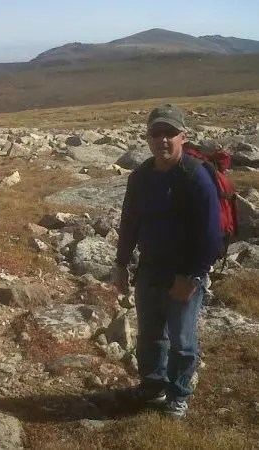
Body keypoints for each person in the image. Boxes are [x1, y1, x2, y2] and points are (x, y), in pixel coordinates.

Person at [115, 103, 222, 419]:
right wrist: (121, 264)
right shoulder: (140, 177)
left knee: (182, 340)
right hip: (149, 270)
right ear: (147, 138)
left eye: (170, 133)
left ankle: (178, 394)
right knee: (149, 335)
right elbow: (130, 223)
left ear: (183, 137)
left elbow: (211, 237)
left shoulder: (196, 177)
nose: (162, 140)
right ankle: (152, 384)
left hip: (183, 274)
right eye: (156, 133)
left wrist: (191, 277)